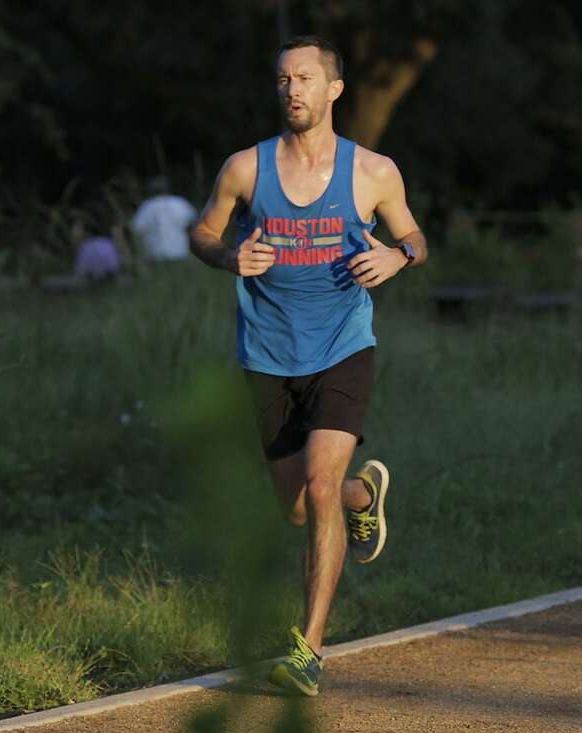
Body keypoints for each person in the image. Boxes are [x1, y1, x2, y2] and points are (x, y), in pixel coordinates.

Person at [188, 35, 427, 696]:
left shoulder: (373, 171)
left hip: (344, 347)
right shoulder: (245, 168)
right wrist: (228, 256)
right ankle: (363, 495)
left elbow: (414, 235)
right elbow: (203, 233)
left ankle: (308, 653)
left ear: (334, 89)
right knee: (297, 506)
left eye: (304, 78)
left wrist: (399, 256)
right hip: (266, 354)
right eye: (283, 80)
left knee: (319, 488)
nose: (292, 90)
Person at [130, 176, 197, 264]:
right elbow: (193, 226)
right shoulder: (181, 203)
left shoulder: (146, 206)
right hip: (179, 253)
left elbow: (137, 229)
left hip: (155, 255)